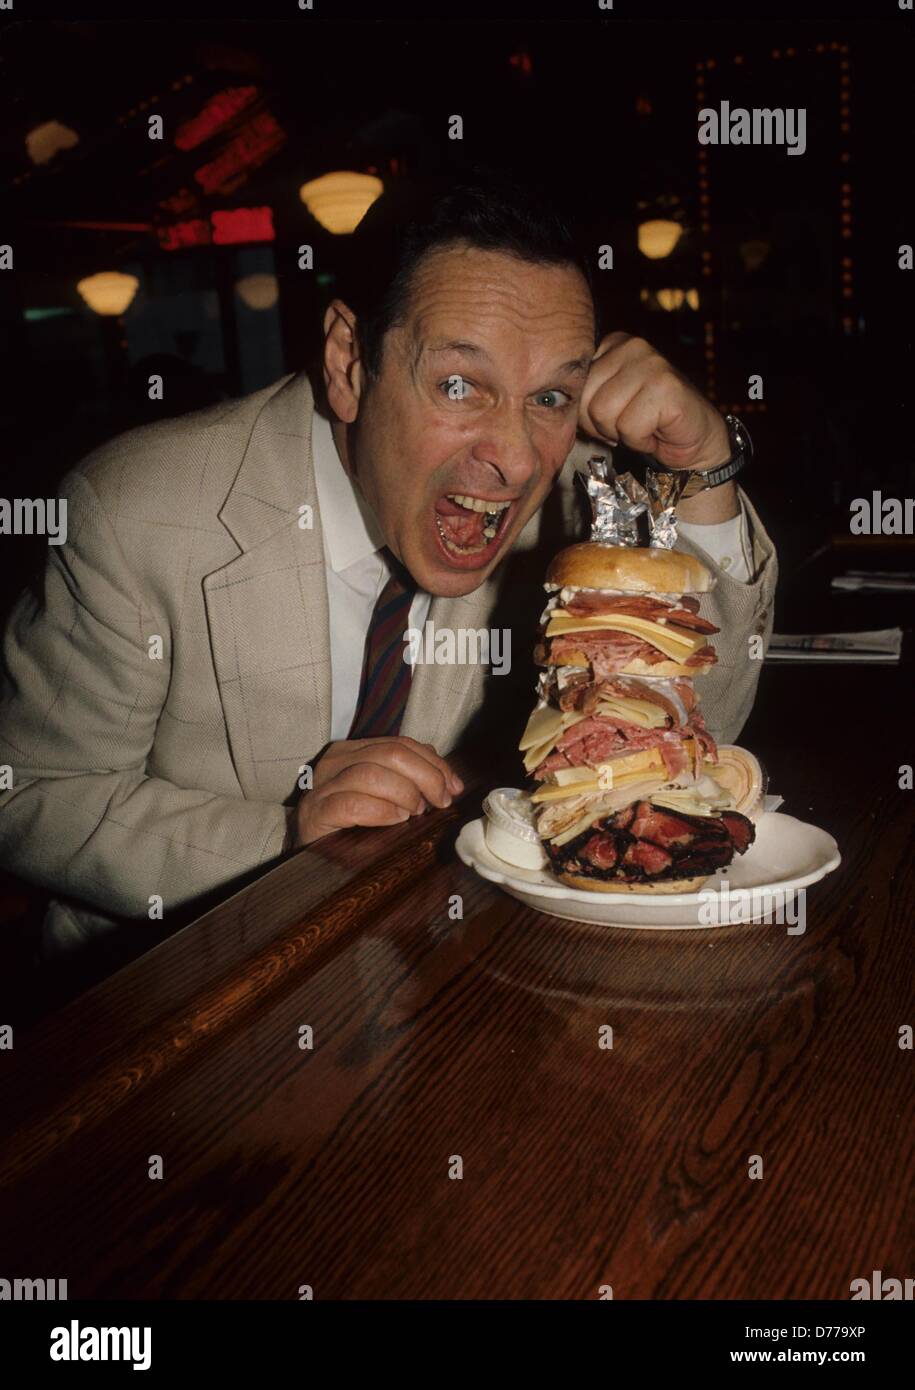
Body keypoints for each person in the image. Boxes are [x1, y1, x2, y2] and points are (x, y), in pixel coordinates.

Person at [0, 176, 776, 959]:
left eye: (549, 397)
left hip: (445, 964)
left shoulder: (583, 501)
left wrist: (706, 469)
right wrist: (285, 838)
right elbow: (27, 792)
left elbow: (690, 738)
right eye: (458, 385)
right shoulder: (136, 510)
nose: (515, 461)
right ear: (348, 361)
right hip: (164, 983)